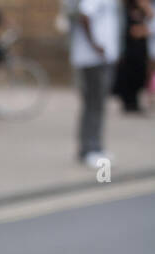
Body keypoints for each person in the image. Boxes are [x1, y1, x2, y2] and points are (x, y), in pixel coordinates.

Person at [70, 0, 123, 165]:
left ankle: (96, 146)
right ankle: (89, 149)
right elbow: (84, 16)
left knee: (98, 105)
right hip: (92, 60)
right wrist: (94, 45)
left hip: (104, 58)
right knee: (94, 104)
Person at [112, 0, 152, 112]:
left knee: (139, 75)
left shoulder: (140, 11)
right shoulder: (125, 10)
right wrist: (145, 31)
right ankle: (128, 102)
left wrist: (146, 7)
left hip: (140, 50)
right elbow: (131, 30)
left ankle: (134, 102)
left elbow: (150, 17)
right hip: (129, 50)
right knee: (129, 75)